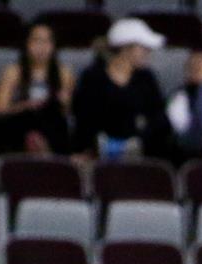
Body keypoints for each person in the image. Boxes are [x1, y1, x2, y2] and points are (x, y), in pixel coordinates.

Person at [71, 18, 174, 162]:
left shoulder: (147, 79)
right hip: (98, 158)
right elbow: (84, 120)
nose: (148, 52)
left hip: (142, 157)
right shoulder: (93, 78)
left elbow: (160, 121)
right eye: (143, 47)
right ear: (126, 49)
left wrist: (139, 142)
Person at [0, 21, 73, 159]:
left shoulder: (64, 73)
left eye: (47, 41)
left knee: (52, 116)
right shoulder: (13, 72)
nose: (42, 47)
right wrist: (26, 105)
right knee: (29, 117)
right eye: (36, 41)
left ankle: (47, 152)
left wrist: (65, 102)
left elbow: (67, 114)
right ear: (26, 44)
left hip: (51, 124)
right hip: (21, 122)